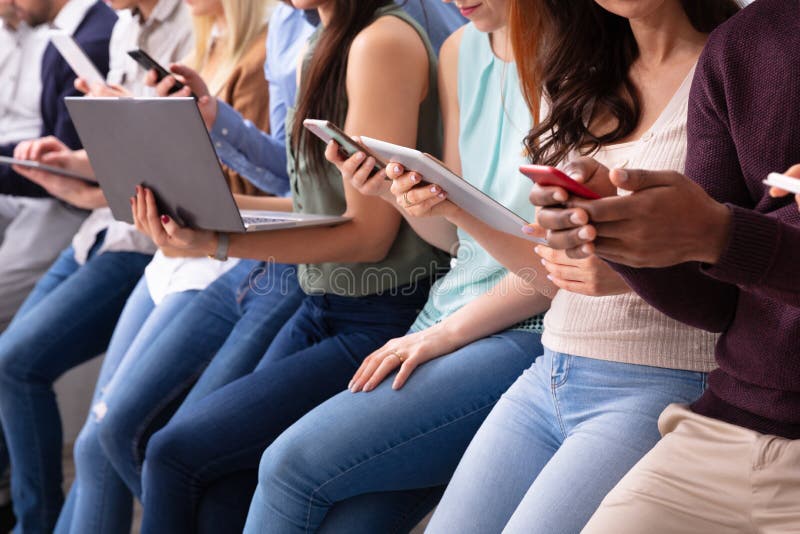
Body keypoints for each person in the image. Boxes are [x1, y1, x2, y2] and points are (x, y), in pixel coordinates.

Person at [420, 1, 738, 532]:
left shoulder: (738, 67)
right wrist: (450, 206)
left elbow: (757, 255)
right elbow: (548, 274)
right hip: (550, 371)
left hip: (659, 384)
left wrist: (638, 270)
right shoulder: (575, 80)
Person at [132, 0, 449, 530]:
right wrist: (199, 216)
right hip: (322, 304)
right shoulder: (319, 43)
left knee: (173, 454)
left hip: (381, 318)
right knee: (218, 486)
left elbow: (368, 237)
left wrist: (217, 241)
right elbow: (313, 208)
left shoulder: (381, 41)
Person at [242, 0, 550, 531]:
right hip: (450, 307)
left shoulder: (579, 62)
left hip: (524, 325)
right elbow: (455, 239)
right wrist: (389, 192)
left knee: (288, 465)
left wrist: (441, 336)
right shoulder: (460, 51)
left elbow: (554, 271)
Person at [526, 0, 800, 530]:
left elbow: (726, 240)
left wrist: (719, 234)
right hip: (729, 424)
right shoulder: (744, 45)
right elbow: (719, 303)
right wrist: (624, 233)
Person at [53, 0, 275, 532]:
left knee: (113, 440)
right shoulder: (206, 44)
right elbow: (165, 181)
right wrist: (127, 131)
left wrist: (141, 130)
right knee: (94, 440)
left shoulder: (261, 55)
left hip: (216, 260)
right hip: (174, 252)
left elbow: (258, 193)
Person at [0, 0, 189, 529]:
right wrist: (71, 168)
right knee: (13, 364)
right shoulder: (123, 26)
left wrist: (86, 172)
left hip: (150, 244)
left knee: (99, 429)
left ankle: (34, 521)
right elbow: (121, 159)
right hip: (102, 226)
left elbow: (185, 172)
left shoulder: (190, 29)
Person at [0, 0, 116, 334]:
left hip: (69, 202)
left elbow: (66, 169)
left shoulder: (89, 41)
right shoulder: (66, 34)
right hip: (58, 187)